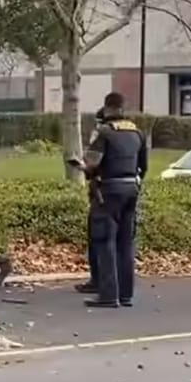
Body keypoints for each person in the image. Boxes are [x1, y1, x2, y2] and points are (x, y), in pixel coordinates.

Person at [73, 92, 146, 308]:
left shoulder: (104, 133)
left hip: (108, 191)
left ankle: (108, 295)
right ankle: (126, 295)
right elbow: (144, 167)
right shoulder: (138, 133)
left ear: (107, 108)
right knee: (125, 243)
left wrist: (81, 167)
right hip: (131, 189)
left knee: (105, 241)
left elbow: (93, 163)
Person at [75, 106, 109, 295]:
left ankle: (98, 281)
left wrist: (83, 167)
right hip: (125, 192)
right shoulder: (131, 136)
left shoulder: (104, 137)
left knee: (98, 239)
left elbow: (92, 165)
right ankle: (111, 281)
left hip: (101, 195)